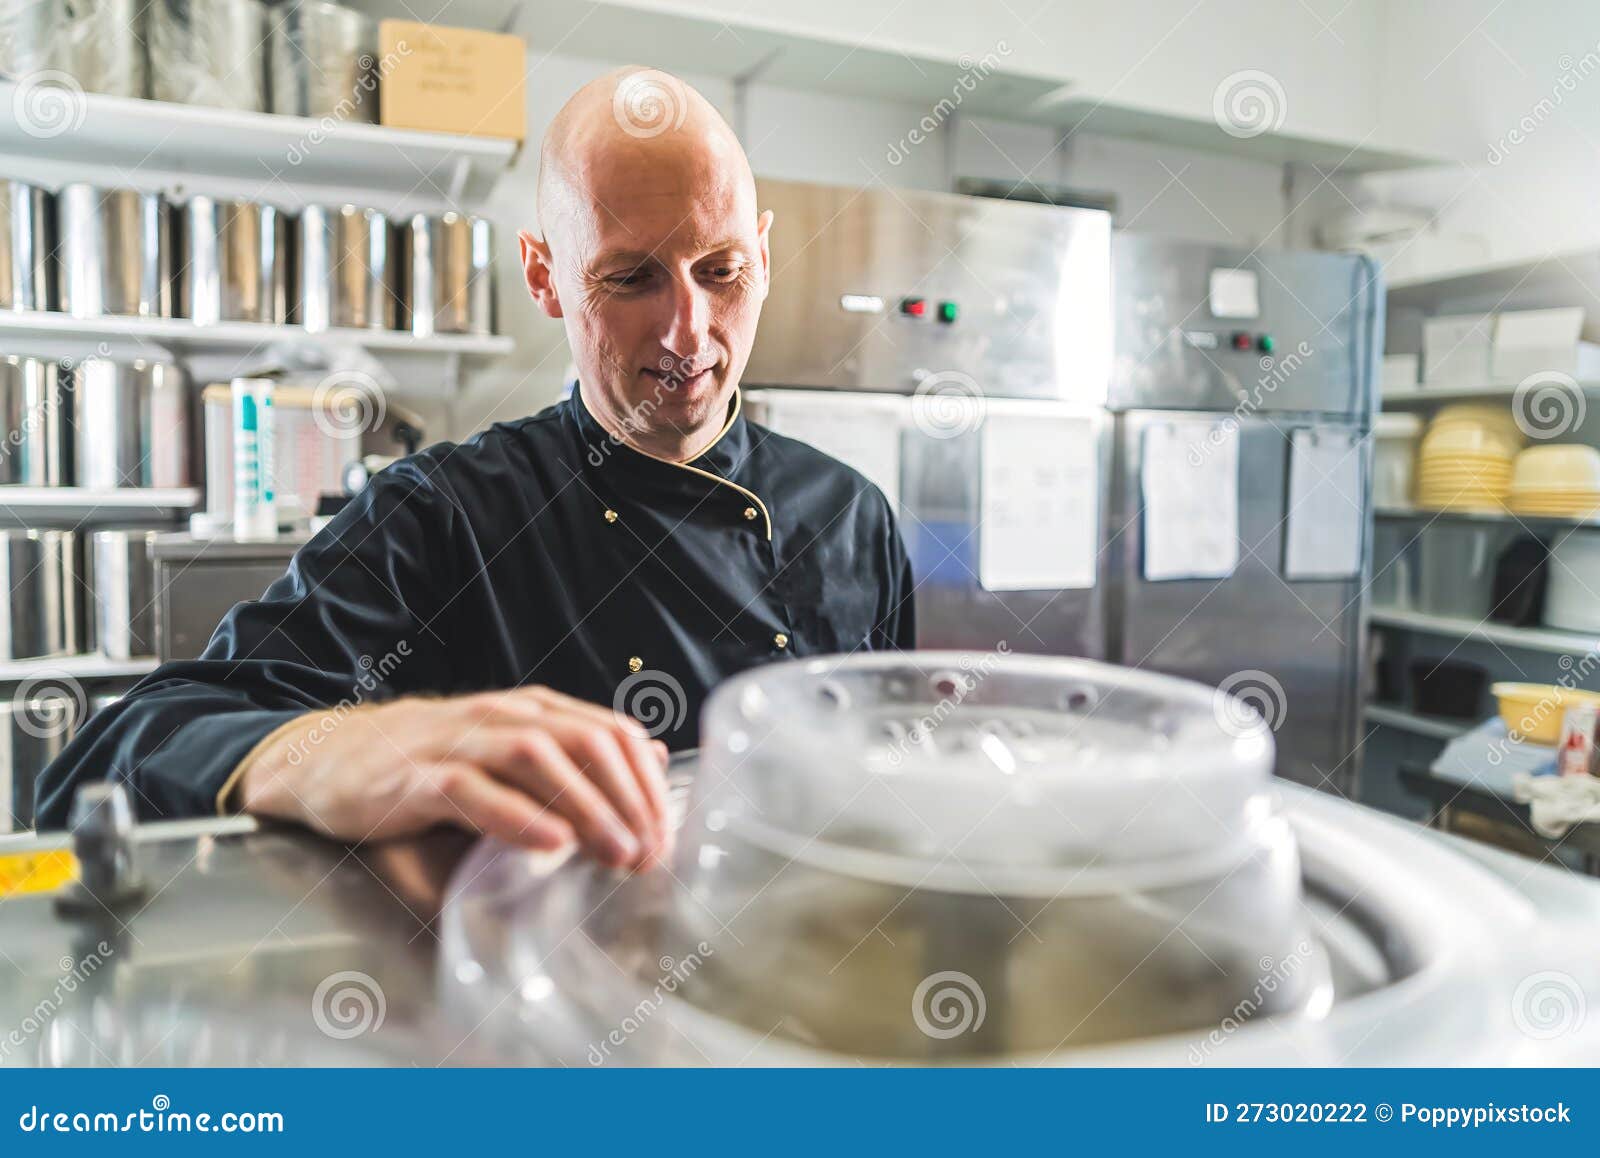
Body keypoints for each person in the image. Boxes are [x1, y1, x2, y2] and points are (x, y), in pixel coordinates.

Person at [34, 66, 916, 871]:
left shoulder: (851, 516)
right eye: (631, 279)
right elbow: (110, 763)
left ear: (761, 254)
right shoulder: (444, 516)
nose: (689, 331)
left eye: (720, 270)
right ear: (545, 276)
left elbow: (889, 792)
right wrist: (325, 751)